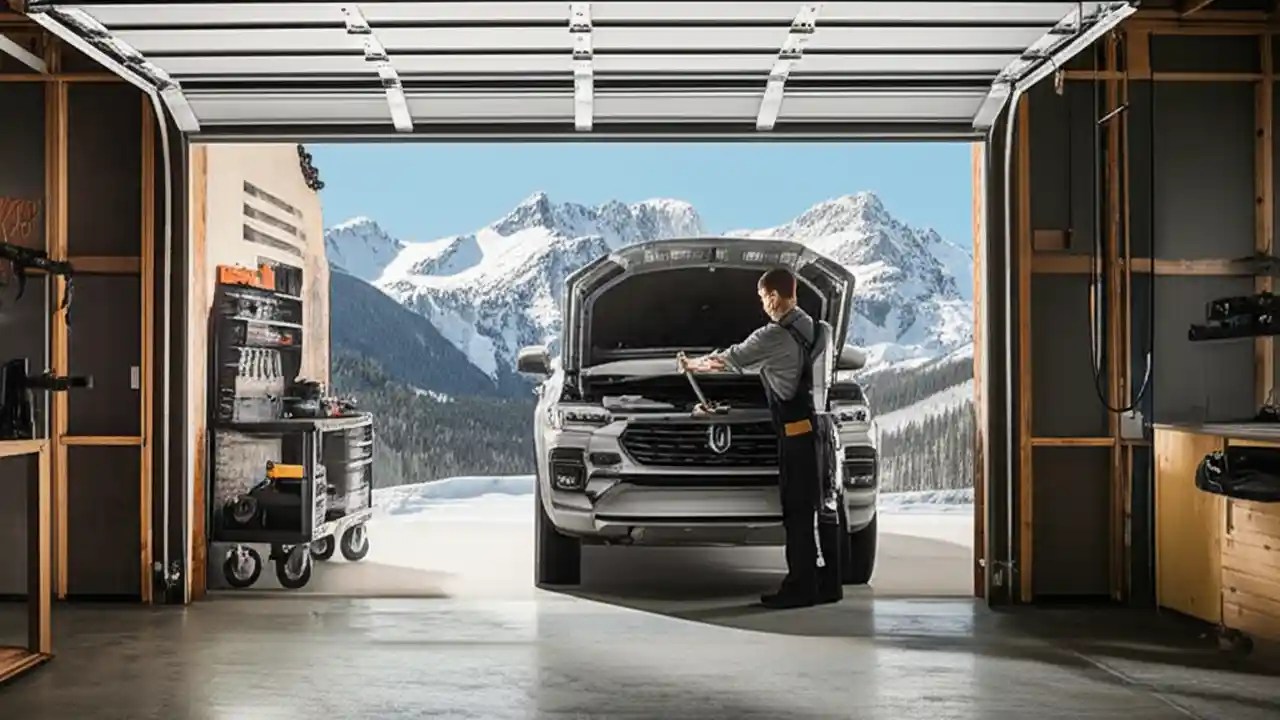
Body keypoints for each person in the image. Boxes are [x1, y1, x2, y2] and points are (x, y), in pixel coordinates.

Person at [679, 267, 842, 609]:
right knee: (823, 508)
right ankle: (829, 584)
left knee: (797, 513)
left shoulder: (773, 336)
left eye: (763, 298)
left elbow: (728, 360)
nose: (763, 305)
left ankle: (800, 587)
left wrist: (691, 364)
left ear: (774, 296)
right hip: (821, 432)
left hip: (796, 436)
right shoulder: (817, 329)